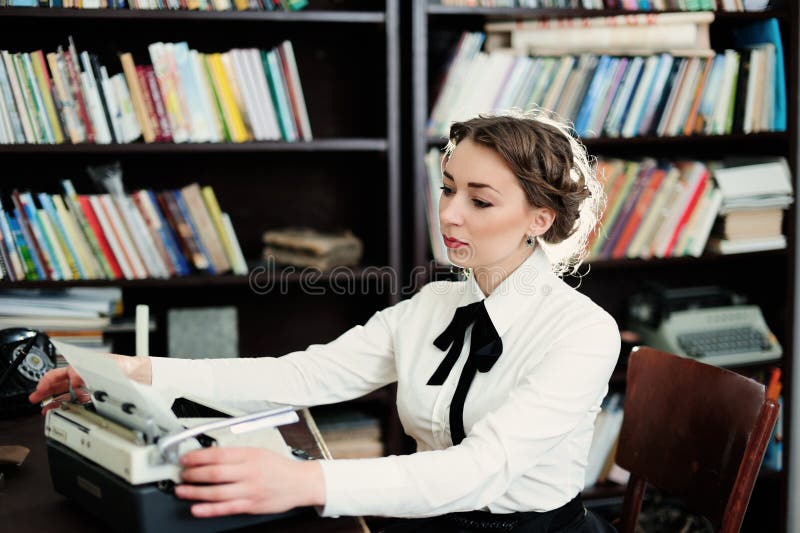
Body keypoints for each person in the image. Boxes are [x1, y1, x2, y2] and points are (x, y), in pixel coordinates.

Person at [30, 110, 621, 532]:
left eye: (479, 199)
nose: (448, 213)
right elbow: (304, 376)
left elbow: (482, 469)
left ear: (539, 219)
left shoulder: (582, 333)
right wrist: (136, 371)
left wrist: (308, 483)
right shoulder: (434, 304)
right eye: (446, 189)